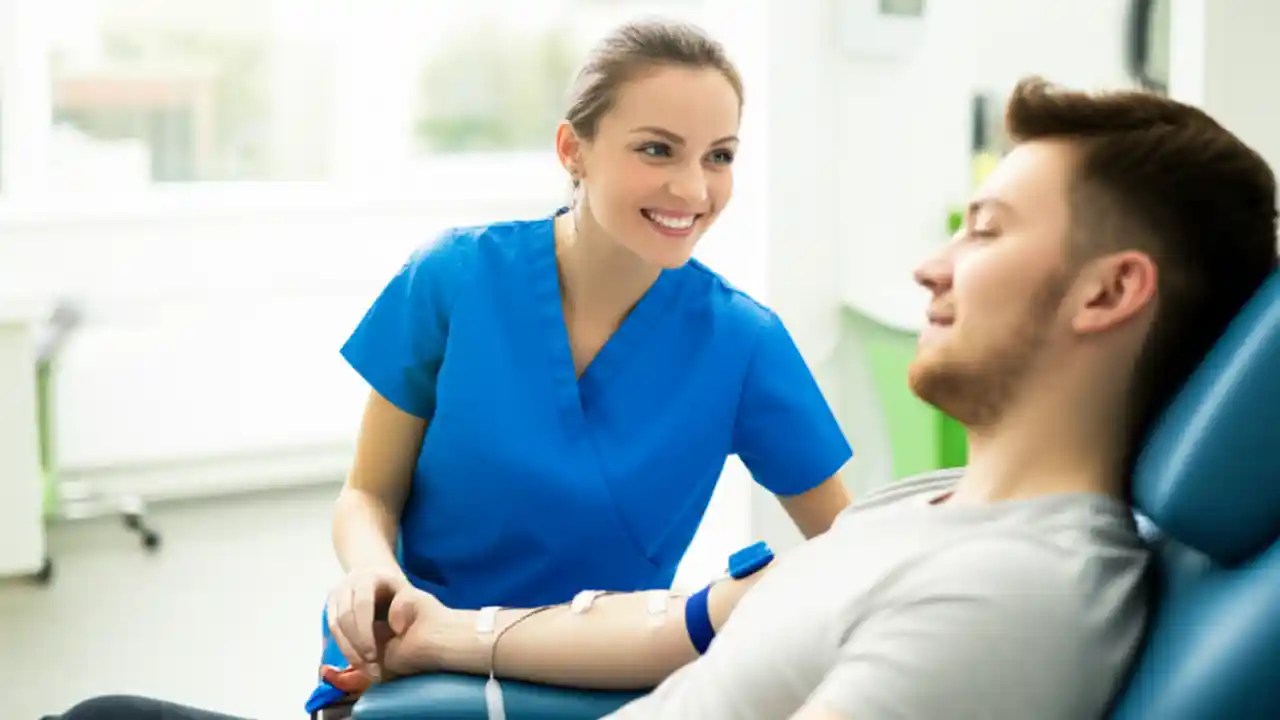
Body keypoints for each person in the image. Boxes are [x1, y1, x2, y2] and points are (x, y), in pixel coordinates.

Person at [44, 78, 1280, 720]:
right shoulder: (934, 506)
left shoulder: (1011, 594)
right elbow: (684, 627)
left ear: (1107, 293)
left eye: (987, 228)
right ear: (573, 152)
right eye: (655, 149)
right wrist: (440, 634)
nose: (929, 264)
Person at [319, 15, 852, 697]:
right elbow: (367, 493)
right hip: (405, 668)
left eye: (719, 156)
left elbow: (849, 555)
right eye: (657, 150)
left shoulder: (743, 344)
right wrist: (371, 575)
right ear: (574, 149)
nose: (693, 190)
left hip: (597, 691)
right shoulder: (455, 278)